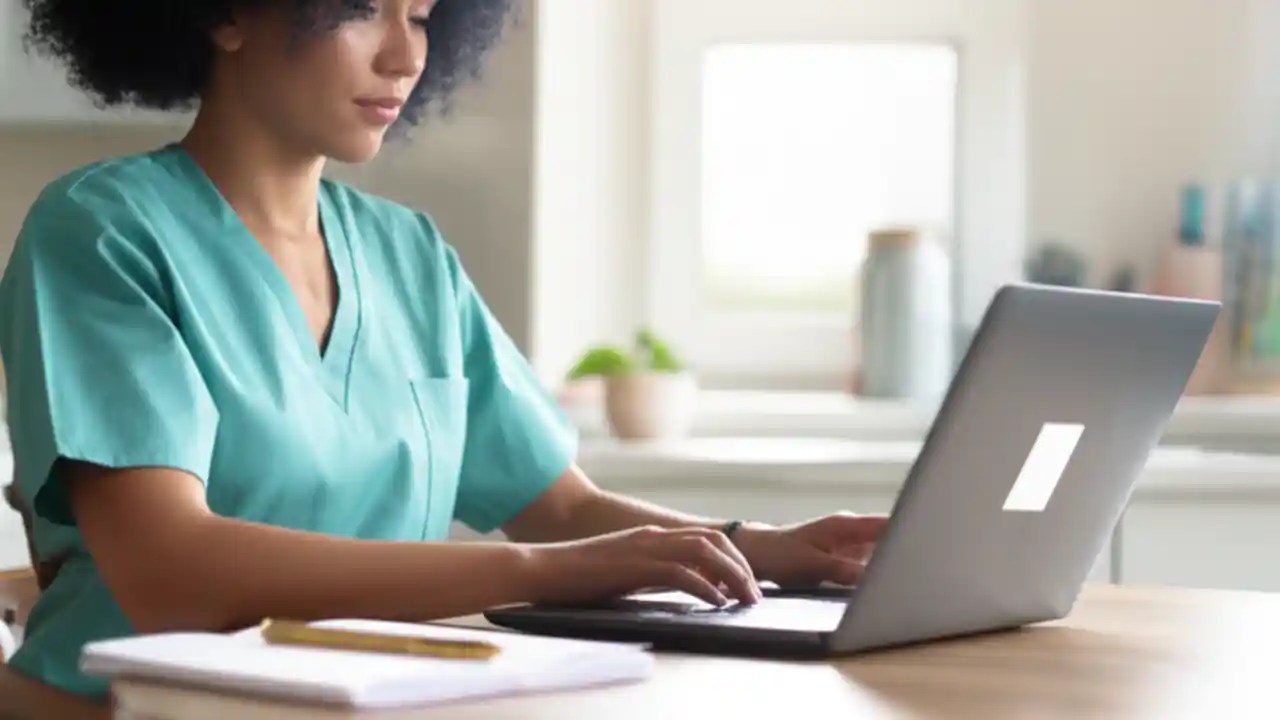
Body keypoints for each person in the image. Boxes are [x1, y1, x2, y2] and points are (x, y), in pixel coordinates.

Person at [0, 0, 887, 698]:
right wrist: (541, 574)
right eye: (359, 8)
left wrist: (766, 548)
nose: (405, 56)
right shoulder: (101, 233)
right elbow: (170, 573)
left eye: (421, 15)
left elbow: (565, 512)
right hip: (128, 708)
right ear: (224, 12)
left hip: (374, 699)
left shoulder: (410, 255)